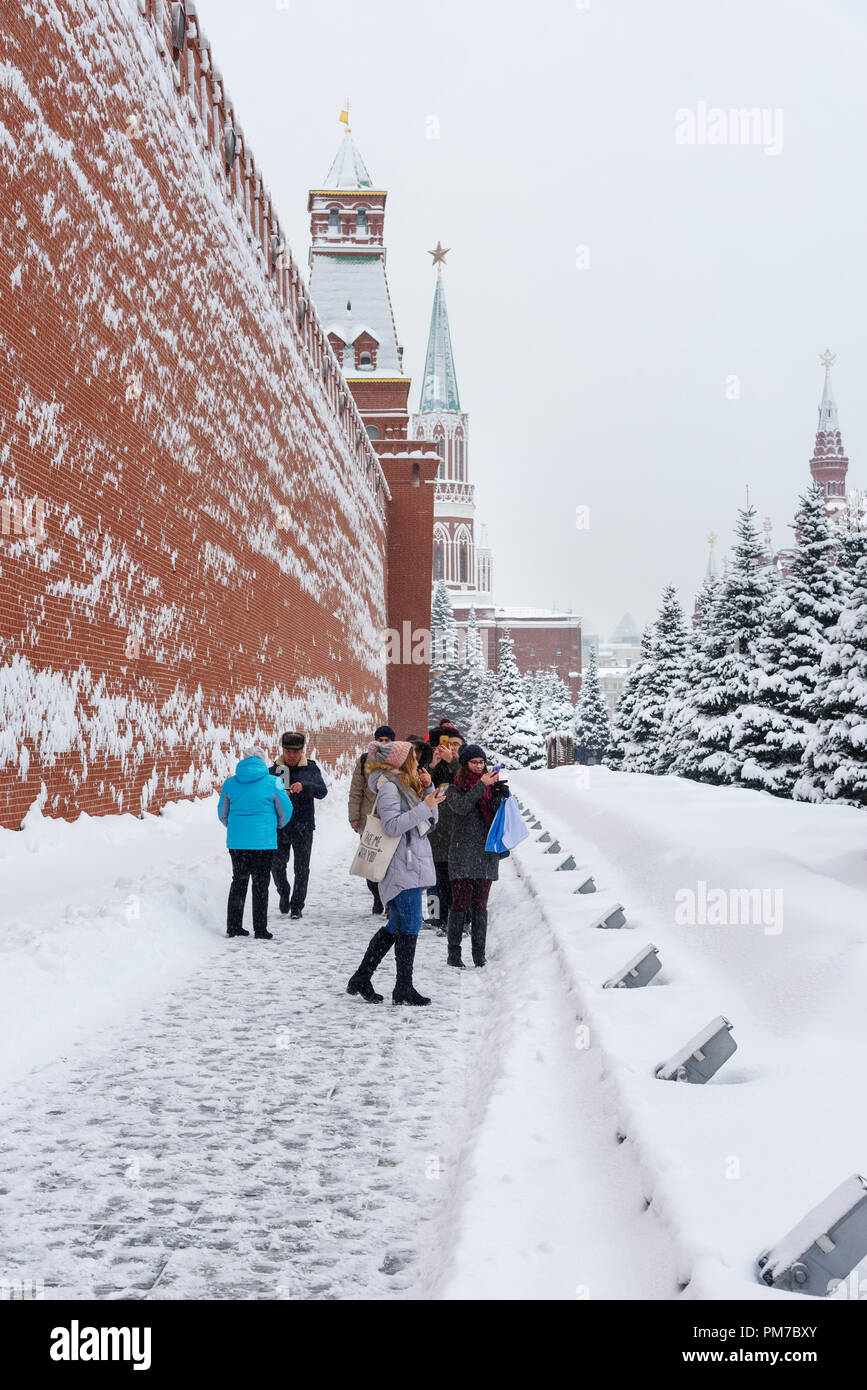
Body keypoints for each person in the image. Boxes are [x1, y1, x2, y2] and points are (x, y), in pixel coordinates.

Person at [347, 740, 445, 1006]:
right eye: (413, 757)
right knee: (411, 923)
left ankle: (361, 977)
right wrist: (424, 805)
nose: (417, 761)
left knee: (397, 924)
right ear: (402, 761)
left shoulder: (405, 785)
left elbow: (430, 822)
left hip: (410, 861)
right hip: (401, 864)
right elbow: (391, 826)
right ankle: (403, 988)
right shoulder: (389, 787)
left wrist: (428, 789)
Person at [444, 744, 509, 969]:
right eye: (474, 763)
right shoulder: (454, 789)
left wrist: (501, 796)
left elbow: (497, 818)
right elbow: (461, 808)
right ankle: (454, 954)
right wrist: (481, 786)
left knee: (480, 905)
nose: (479, 766)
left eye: (481, 762)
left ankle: (479, 955)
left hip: (485, 853)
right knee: (460, 904)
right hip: (462, 853)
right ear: (465, 765)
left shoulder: (490, 788)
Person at [218, 746, 293, 940]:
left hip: (237, 842)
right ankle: (260, 929)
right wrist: (274, 826)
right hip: (263, 842)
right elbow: (285, 810)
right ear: (262, 761)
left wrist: (236, 829)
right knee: (261, 884)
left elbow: (222, 813)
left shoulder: (230, 783)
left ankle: (234, 926)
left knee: (239, 881)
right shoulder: (274, 782)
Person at [268, 732, 328, 919]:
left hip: (303, 826)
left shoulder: (310, 768)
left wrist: (304, 786)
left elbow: (322, 791)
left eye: (295, 751)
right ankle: (284, 892)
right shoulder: (273, 770)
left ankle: (297, 906)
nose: (291, 755)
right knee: (277, 866)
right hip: (280, 827)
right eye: (287, 751)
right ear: (282, 750)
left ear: (302, 751)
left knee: (302, 868)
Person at [348, 725, 395, 914]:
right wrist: (354, 817)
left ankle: (390, 901)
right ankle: (377, 896)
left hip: (392, 819)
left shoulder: (398, 760)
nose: (383, 743)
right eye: (380, 740)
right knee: (370, 862)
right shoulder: (364, 761)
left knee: (391, 864)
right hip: (369, 820)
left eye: (387, 740)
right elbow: (356, 790)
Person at [426, 722, 465, 928]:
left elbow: (468, 783)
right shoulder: (436, 764)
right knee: (433, 880)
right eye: (447, 744)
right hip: (435, 831)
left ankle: (454, 919)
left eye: (456, 744)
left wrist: (454, 762)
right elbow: (421, 784)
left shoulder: (468, 764)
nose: (451, 748)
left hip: (458, 833)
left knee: (455, 881)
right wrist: (433, 763)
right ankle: (434, 916)